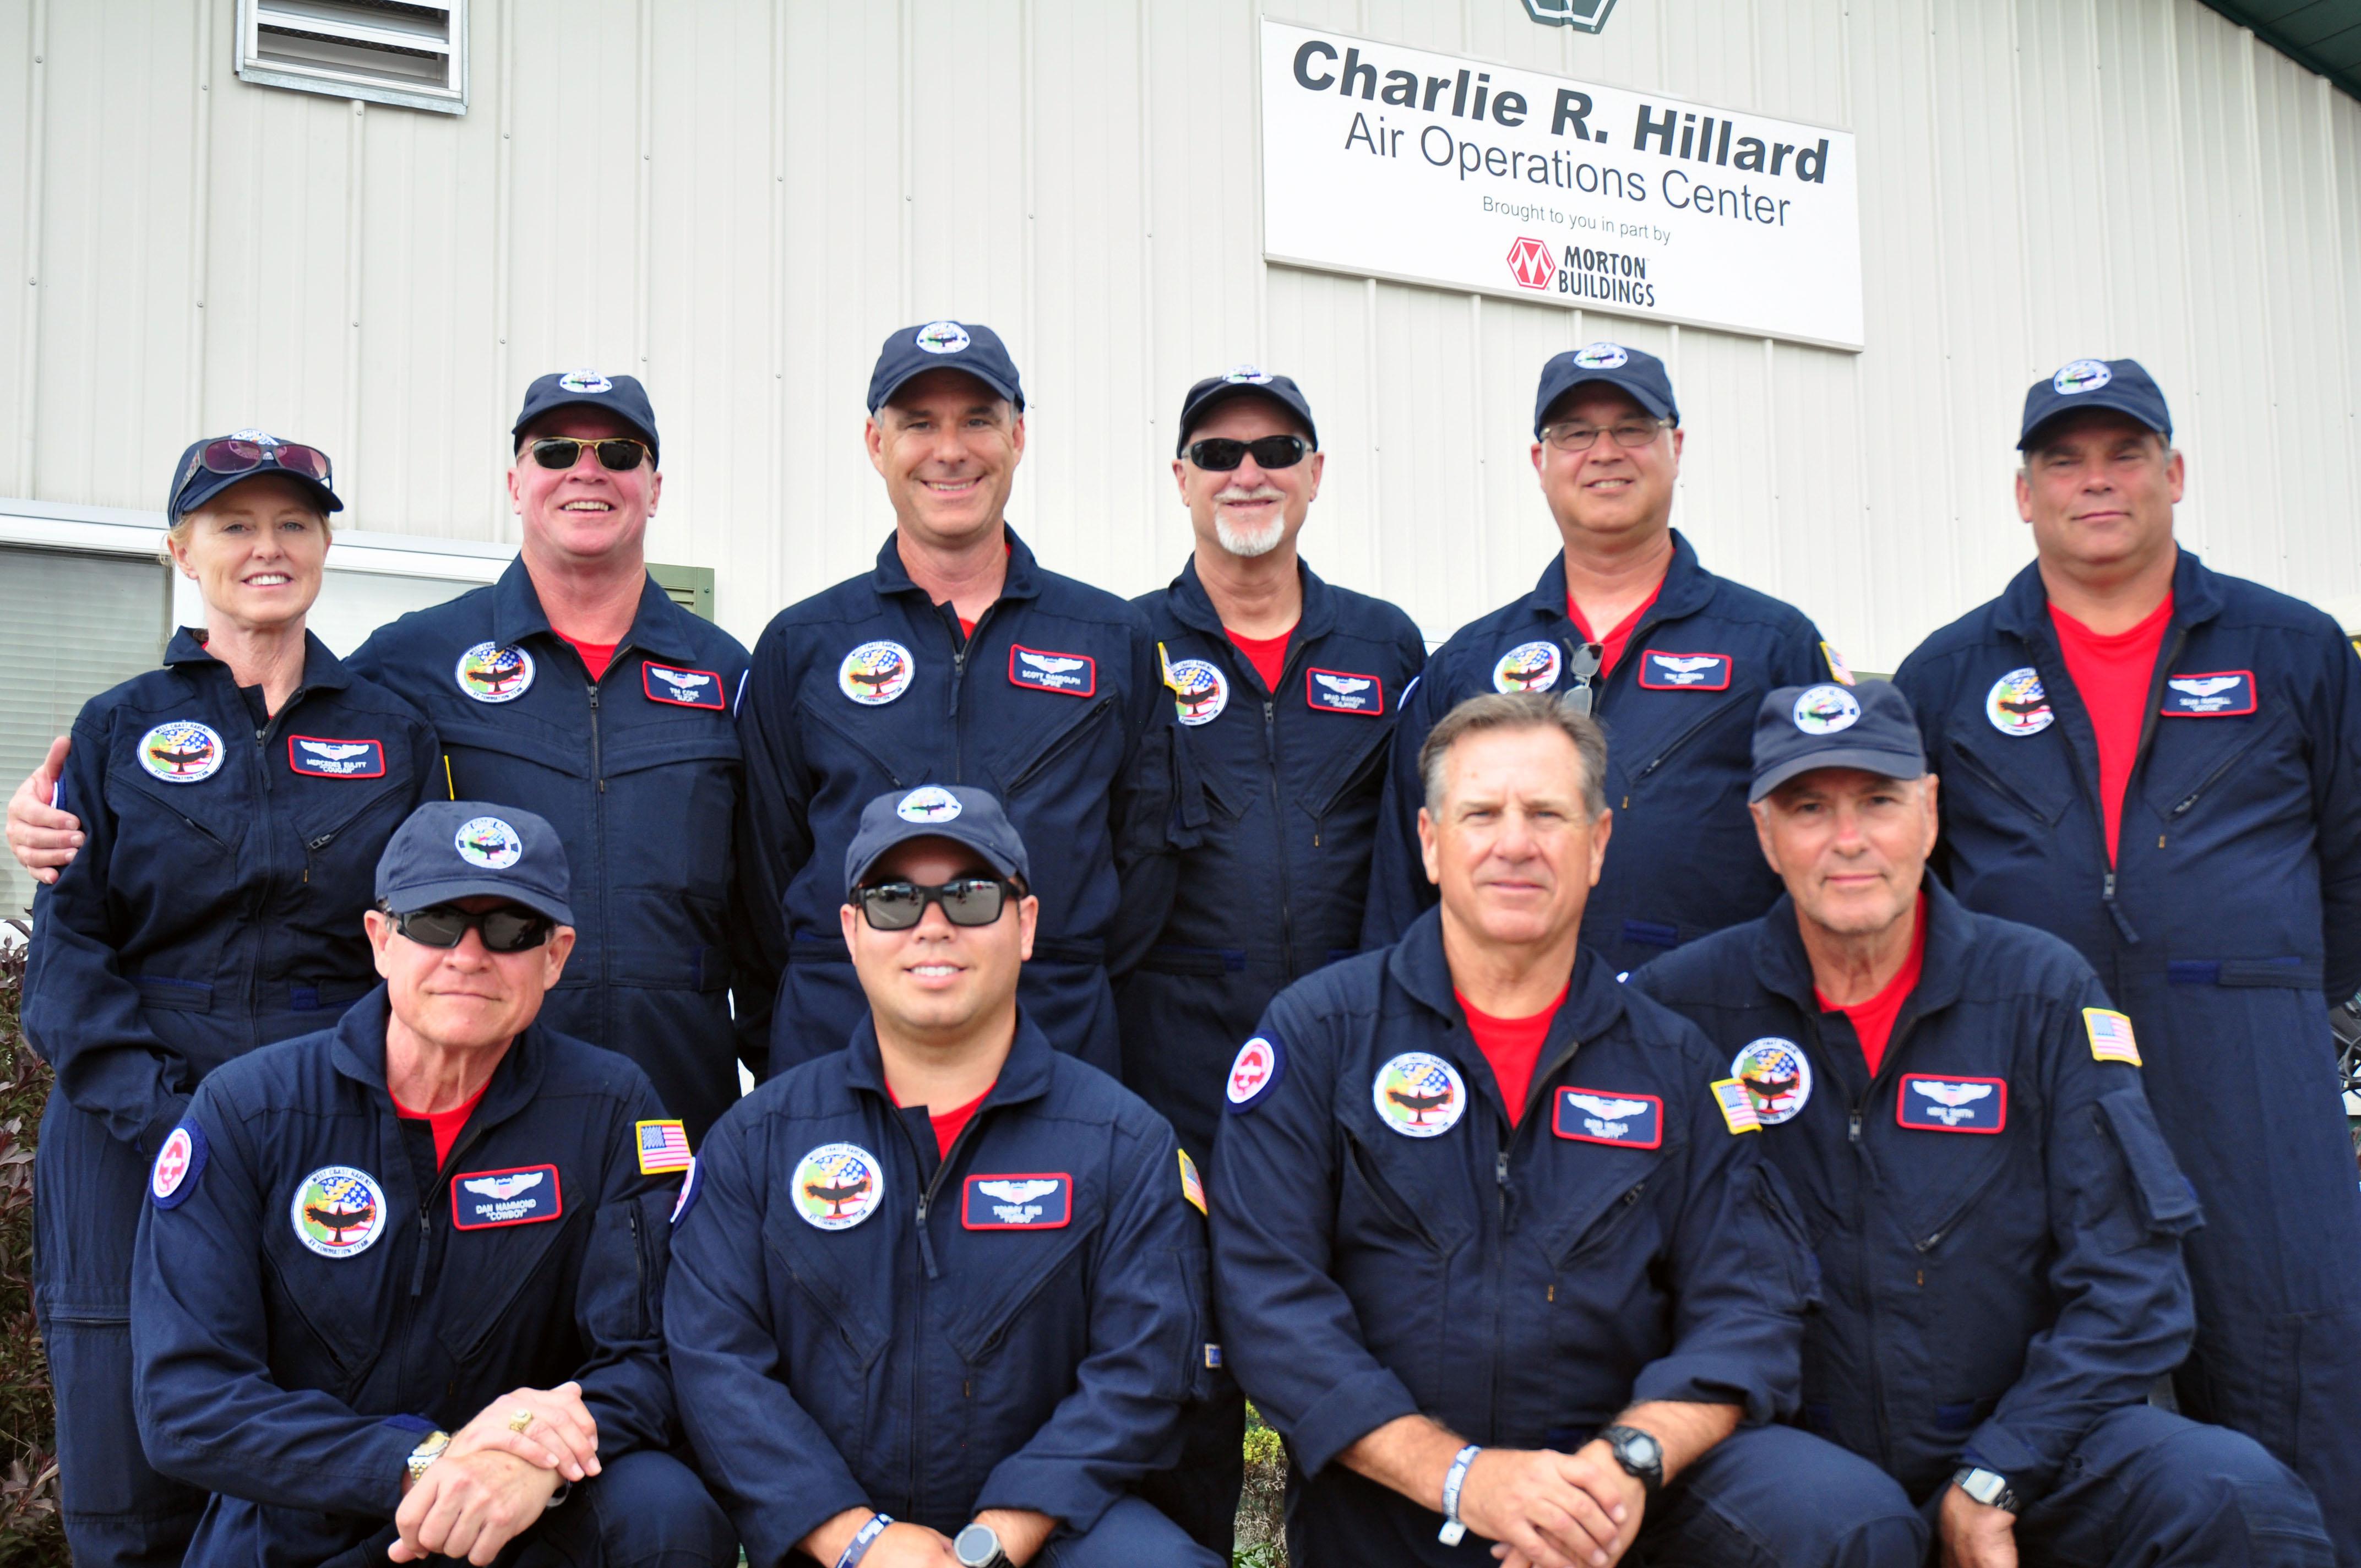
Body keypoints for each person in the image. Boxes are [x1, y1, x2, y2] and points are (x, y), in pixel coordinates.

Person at [1210, 693, 1924, 1567]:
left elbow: (1748, 1306)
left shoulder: (1676, 1064)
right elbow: (1270, 1299)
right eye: (1482, 814)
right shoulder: (1320, 1036)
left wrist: (1626, 1464)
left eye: (1548, 814)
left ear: (1598, 844)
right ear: (1430, 843)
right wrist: (1463, 1477)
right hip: (1398, 1504)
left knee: (1851, 1521)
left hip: (1620, 1506)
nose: (1516, 843)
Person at [1631, 682, 2332, 1566]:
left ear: (1930, 812)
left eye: (1878, 802)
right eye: (1809, 809)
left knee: (2234, 1496)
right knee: (1843, 1522)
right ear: (1765, 834)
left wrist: (2002, 1468)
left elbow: (2131, 1284)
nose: (1848, 839)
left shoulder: (2041, 991)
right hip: (1792, 1459)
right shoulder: (1683, 1009)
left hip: (2030, 1439)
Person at [1890, 358, 2361, 1559]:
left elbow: (2351, 865)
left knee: (2295, 1370)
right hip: (2029, 1089)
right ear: (2022, 493)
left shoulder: (2293, 648)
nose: (2092, 481)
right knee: (2047, 1393)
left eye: (2122, 454)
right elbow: (1912, 890)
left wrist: (2265, 997)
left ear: (2173, 473)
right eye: (2062, 460)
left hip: (2252, 1081)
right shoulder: (1948, 673)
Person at [20, 432, 437, 1568]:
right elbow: (68, 960)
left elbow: (418, 935)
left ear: (326, 547)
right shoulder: (118, 725)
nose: (269, 547)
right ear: (181, 551)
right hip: (125, 1118)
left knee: (319, 1441)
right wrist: (168, 1120)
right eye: (235, 524)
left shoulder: (393, 730)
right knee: (127, 1450)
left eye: (295, 523)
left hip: (325, 1111)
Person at [132, 800, 736, 1567]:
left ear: (556, 956)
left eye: (512, 930)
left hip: (520, 1519)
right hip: (305, 1521)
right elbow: (187, 1403)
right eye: (435, 922)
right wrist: (423, 1461)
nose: (469, 956)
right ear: (381, 940)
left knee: (662, 1509)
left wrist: (532, 1456)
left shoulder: (614, 1109)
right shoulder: (249, 1110)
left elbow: (650, 1357)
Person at [667, 785, 1220, 1568]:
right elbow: (716, 1364)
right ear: (851, 932)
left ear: (1025, 925)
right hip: (831, 1550)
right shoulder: (756, 1142)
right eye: (894, 900)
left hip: (1046, 1539)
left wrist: (996, 1538)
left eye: (971, 896)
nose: (933, 925)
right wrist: (858, 1540)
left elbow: (1143, 1369)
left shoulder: (1123, 1143)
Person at [1116, 366, 1426, 1551]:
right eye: (1218, 452)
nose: (1247, 472)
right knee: (1185, 1368)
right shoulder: (1125, 641)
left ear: (1314, 473)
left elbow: (1409, 855)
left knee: (1347, 1356)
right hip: (1174, 1069)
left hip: (1345, 1070)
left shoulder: (1385, 644)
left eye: (1275, 449)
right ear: (1180, 477)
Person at [733, 322, 1162, 1081]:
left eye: (978, 421)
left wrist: (1059, 970)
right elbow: (762, 881)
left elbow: (1147, 867)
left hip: (1058, 1051)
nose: (951, 450)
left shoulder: (1110, 640)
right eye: (920, 424)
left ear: (1018, 437)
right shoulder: (804, 645)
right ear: (877, 444)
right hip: (839, 1049)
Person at [1360, 343, 1847, 973]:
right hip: (1504, 1022)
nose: (1605, 452)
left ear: (1676, 448)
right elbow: (1402, 891)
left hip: (1712, 1021)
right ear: (1540, 462)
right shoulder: (1467, 664)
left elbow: (1834, 859)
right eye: (1575, 433)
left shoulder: (1772, 646)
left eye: (1632, 428)